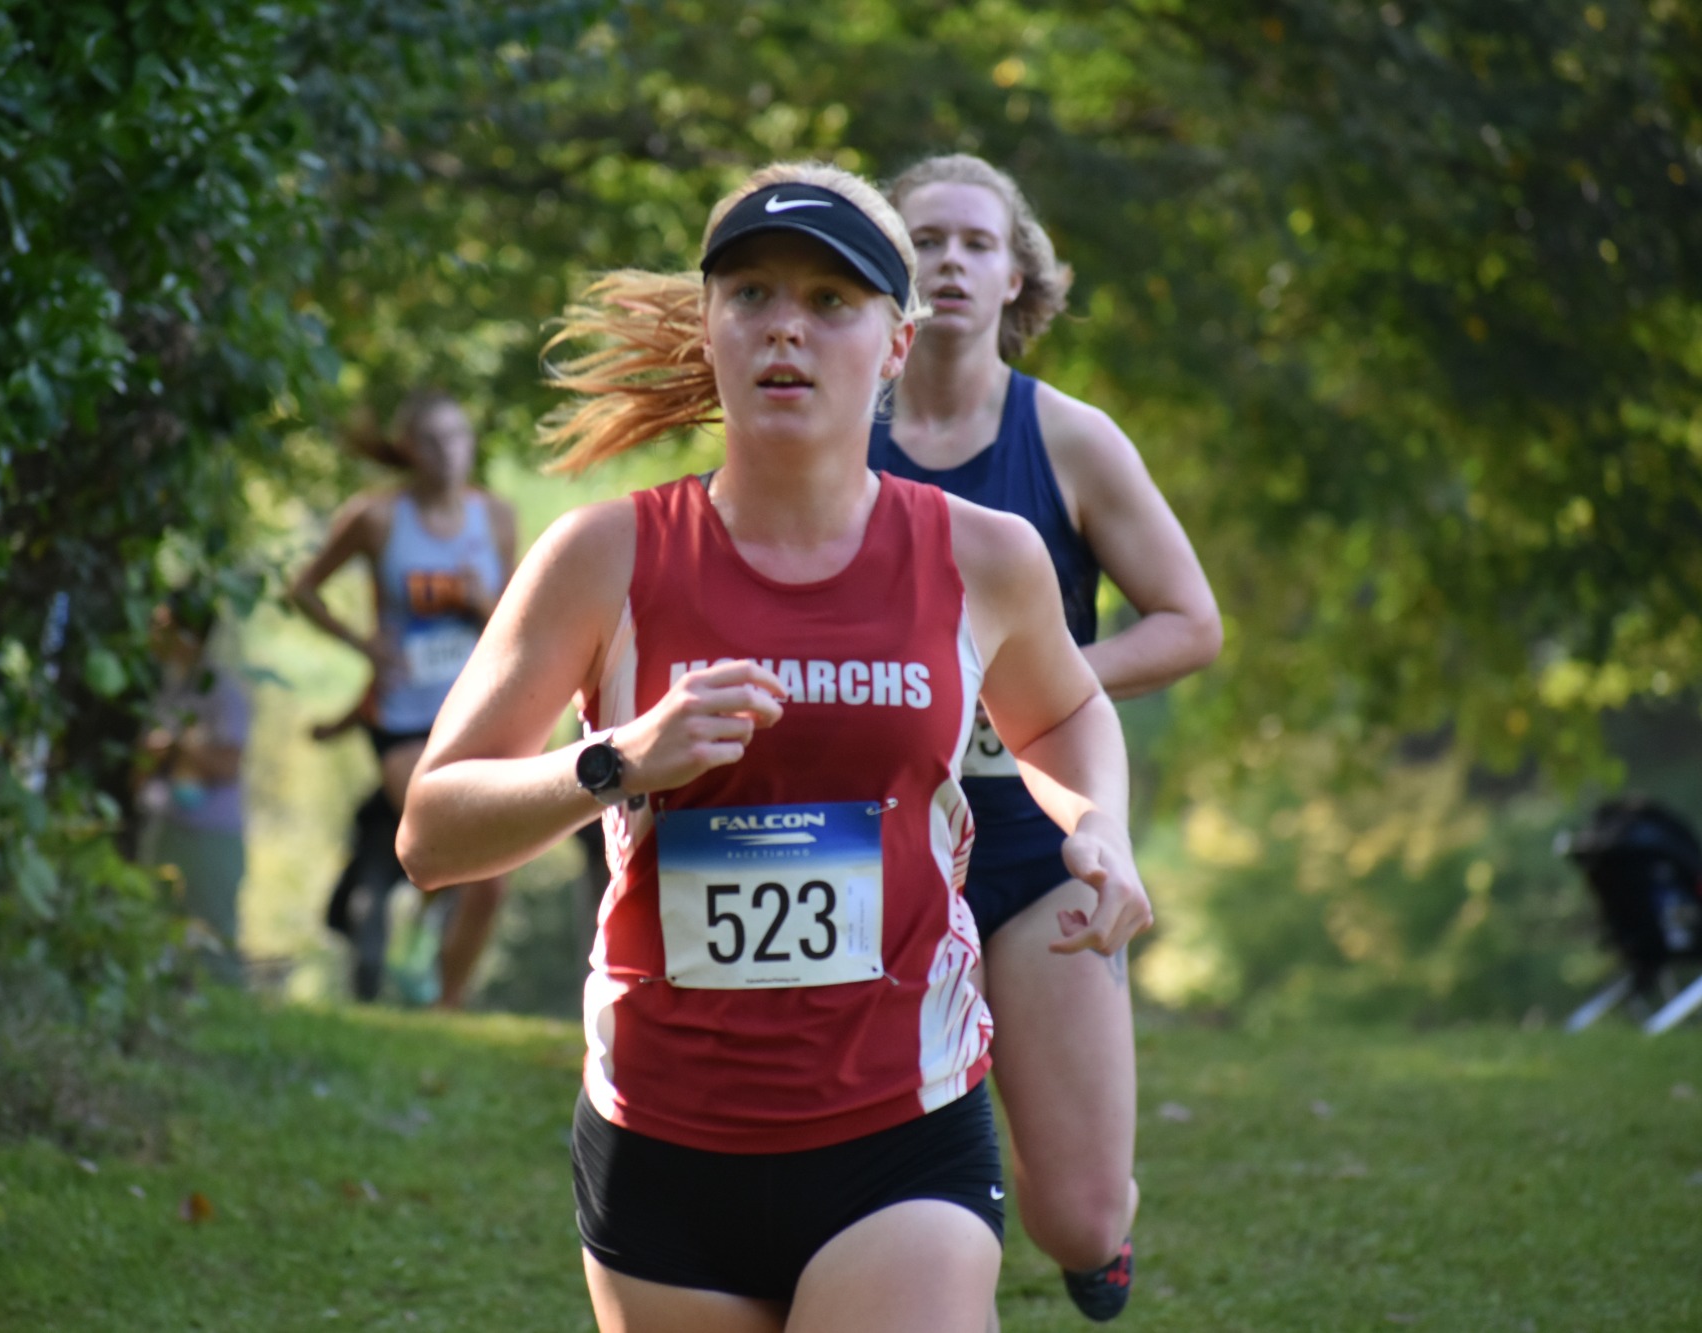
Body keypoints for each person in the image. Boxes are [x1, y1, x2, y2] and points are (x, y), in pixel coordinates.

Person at [394, 161, 1153, 1333]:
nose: (784, 327)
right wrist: (614, 761)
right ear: (708, 326)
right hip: (661, 1143)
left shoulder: (981, 557)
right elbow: (431, 834)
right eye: (749, 294)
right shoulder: (602, 559)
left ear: (894, 343)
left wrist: (1092, 821)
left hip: (898, 1129)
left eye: (830, 301)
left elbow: (1060, 715)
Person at [870, 152, 1223, 1322]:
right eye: (924, 240)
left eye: (977, 242)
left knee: (1074, 1213)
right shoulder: (828, 434)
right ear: (886, 270)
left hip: (1033, 847)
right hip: (871, 851)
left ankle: (1091, 1231)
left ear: (1018, 274)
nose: (951, 262)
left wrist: (1035, 685)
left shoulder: (1066, 439)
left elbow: (1188, 622)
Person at [290, 389, 517, 1008]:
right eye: (435, 441)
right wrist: (365, 644)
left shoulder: (495, 517)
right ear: (409, 450)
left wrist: (479, 605)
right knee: (445, 834)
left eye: (460, 437)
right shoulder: (376, 519)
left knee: (492, 881)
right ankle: (394, 906)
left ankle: (447, 1004)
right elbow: (303, 590)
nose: (450, 453)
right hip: (400, 715)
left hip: (477, 712)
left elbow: (518, 626)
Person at [137, 590, 253, 985]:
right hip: (170, 825)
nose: (153, 634)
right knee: (162, 927)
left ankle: (228, 1017)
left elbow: (229, 763)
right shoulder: (170, 687)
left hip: (212, 835)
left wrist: (177, 747)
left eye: (162, 625)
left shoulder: (220, 691)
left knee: (214, 938)